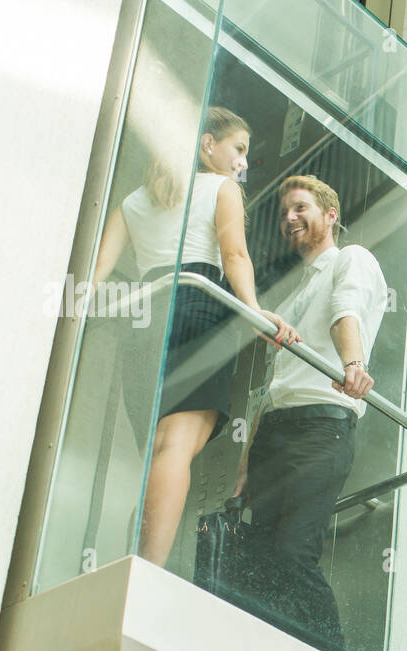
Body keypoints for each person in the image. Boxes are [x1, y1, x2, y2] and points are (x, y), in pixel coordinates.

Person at [93, 106, 300, 566]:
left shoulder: (132, 202)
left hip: (144, 321)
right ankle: (145, 571)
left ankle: (131, 565)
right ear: (208, 144)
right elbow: (235, 255)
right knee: (176, 450)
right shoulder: (221, 188)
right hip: (198, 310)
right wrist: (254, 312)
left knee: (158, 456)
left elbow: (96, 273)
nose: (243, 162)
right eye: (239, 149)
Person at [232, 175, 387, 651]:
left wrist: (354, 365)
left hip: (321, 426)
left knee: (292, 554)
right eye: (283, 214)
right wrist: (241, 474)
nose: (289, 219)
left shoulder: (351, 259)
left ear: (331, 215)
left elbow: (348, 312)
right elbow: (270, 390)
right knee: (256, 560)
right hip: (275, 431)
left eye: (300, 208)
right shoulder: (294, 297)